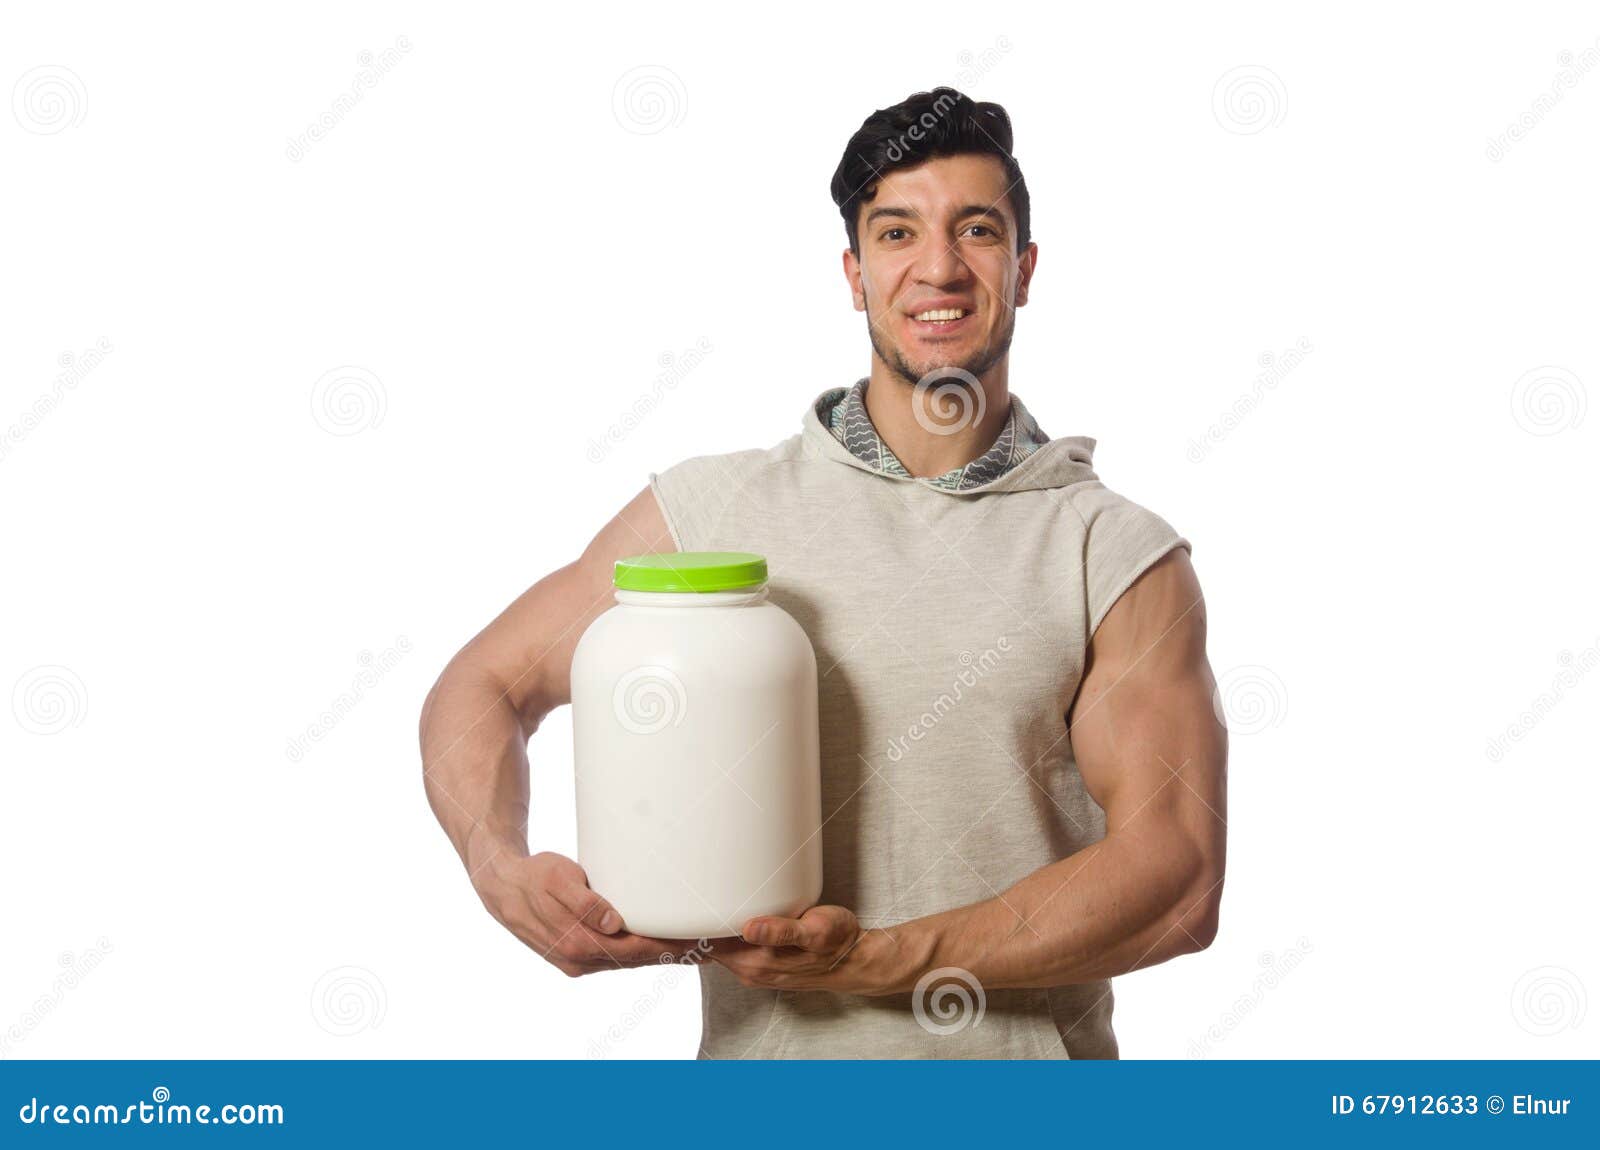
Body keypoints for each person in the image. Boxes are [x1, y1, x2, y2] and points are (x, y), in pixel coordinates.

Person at [419, 86, 1227, 1059]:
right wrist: (495, 859)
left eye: (975, 231)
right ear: (854, 272)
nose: (938, 267)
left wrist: (885, 959)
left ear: (1023, 267)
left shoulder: (1111, 553)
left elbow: (1175, 878)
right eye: (896, 234)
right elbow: (484, 685)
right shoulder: (710, 513)